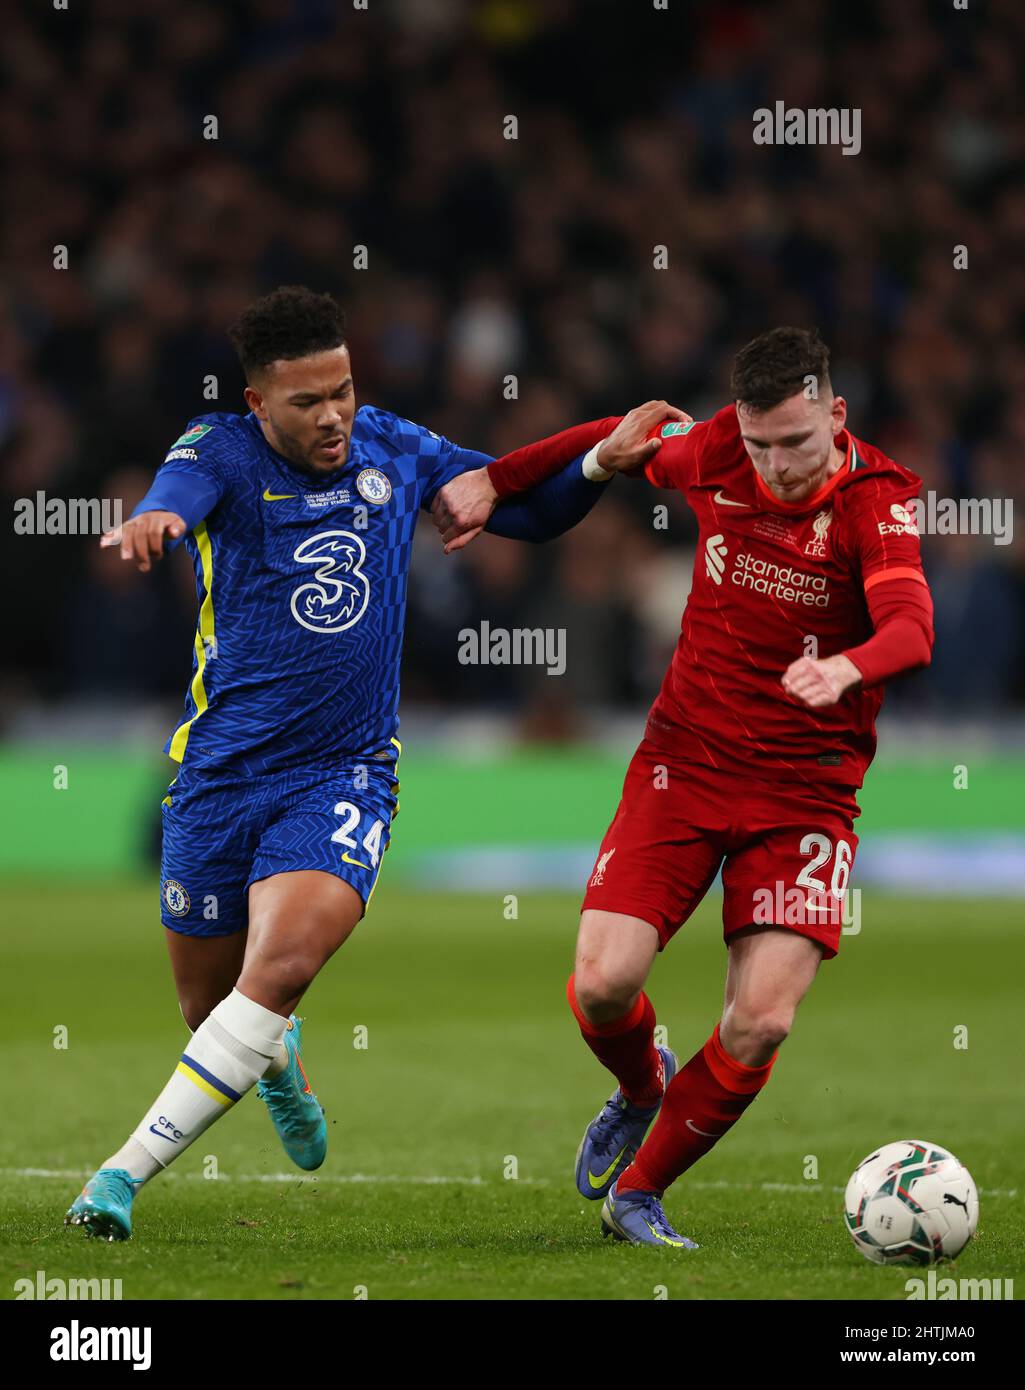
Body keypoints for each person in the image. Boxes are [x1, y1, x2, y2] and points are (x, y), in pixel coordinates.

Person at [65, 284, 685, 1241]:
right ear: (257, 405)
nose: (333, 416)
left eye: (342, 390)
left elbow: (523, 510)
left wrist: (600, 457)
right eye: (307, 402)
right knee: (212, 1007)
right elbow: (175, 496)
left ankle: (118, 1176)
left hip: (342, 771)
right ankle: (276, 1056)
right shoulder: (215, 449)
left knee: (278, 966)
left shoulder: (395, 447)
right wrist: (158, 521)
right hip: (218, 776)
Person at [437, 326, 934, 1248]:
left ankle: (639, 1193)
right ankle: (640, 1084)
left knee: (760, 1020)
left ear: (835, 414)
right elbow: (616, 436)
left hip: (804, 790)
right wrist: (497, 480)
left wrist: (847, 670)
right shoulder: (711, 452)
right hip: (683, 762)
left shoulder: (879, 501)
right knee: (601, 986)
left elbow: (911, 627)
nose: (777, 466)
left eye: (795, 442)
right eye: (758, 445)